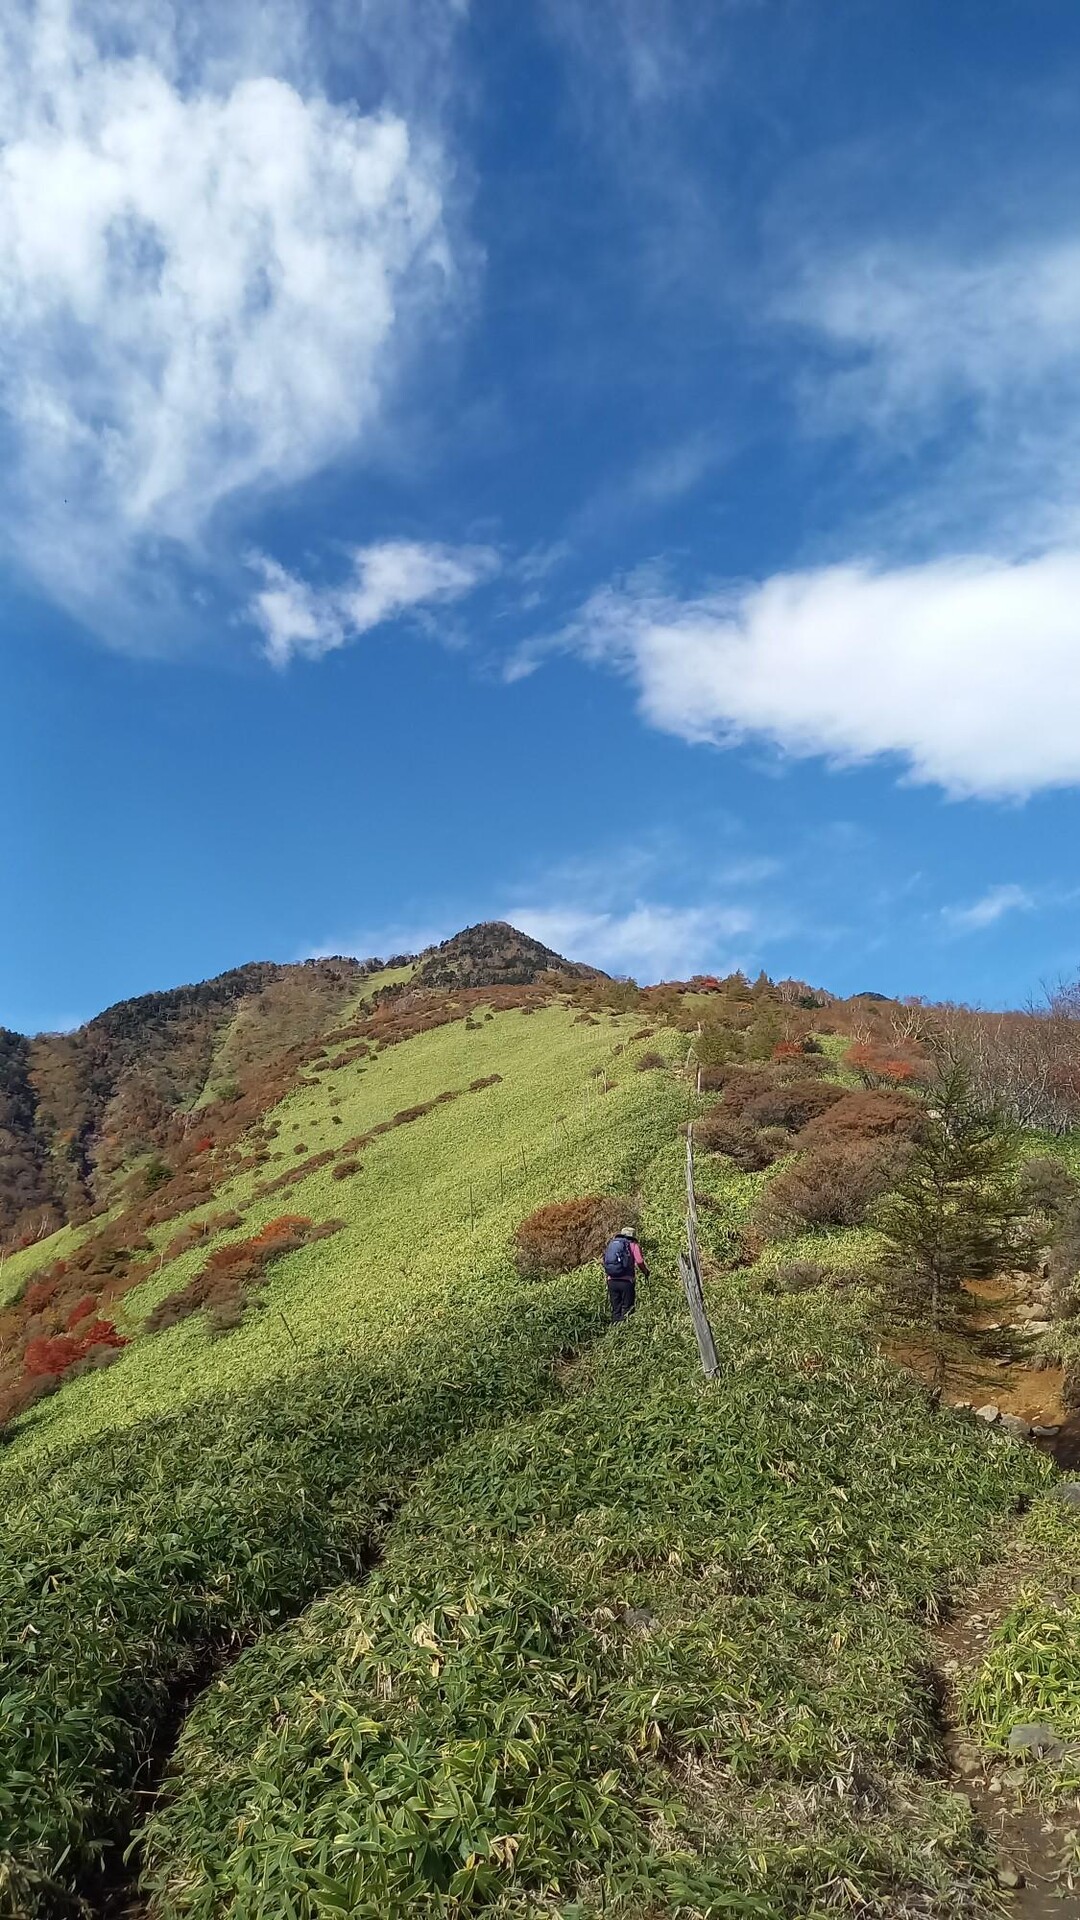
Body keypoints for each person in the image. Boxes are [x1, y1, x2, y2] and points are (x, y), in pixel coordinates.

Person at [601, 1227, 648, 1325]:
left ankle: (615, 1332)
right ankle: (626, 1331)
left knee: (616, 1309)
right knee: (627, 1308)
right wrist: (646, 1272)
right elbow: (639, 1261)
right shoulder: (633, 1245)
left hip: (612, 1281)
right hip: (626, 1281)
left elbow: (604, 1260)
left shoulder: (612, 1244)